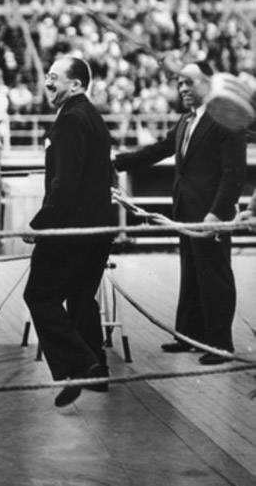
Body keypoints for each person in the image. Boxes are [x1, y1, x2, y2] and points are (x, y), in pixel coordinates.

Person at [114, 61, 246, 365]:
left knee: (214, 276)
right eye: (180, 83)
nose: (183, 88)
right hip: (186, 210)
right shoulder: (187, 120)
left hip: (210, 214)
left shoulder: (226, 118)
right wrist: (115, 162)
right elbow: (157, 151)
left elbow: (233, 174)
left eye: (190, 82)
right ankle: (189, 336)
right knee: (192, 273)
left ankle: (219, 345)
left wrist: (217, 213)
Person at [23, 56, 116, 408]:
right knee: (79, 298)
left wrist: (40, 226)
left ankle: (79, 365)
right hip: (98, 230)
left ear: (75, 85)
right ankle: (97, 373)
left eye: (54, 78)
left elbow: (64, 184)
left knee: (40, 296)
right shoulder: (92, 117)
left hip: (71, 230)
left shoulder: (70, 121)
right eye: (47, 77)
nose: (47, 83)